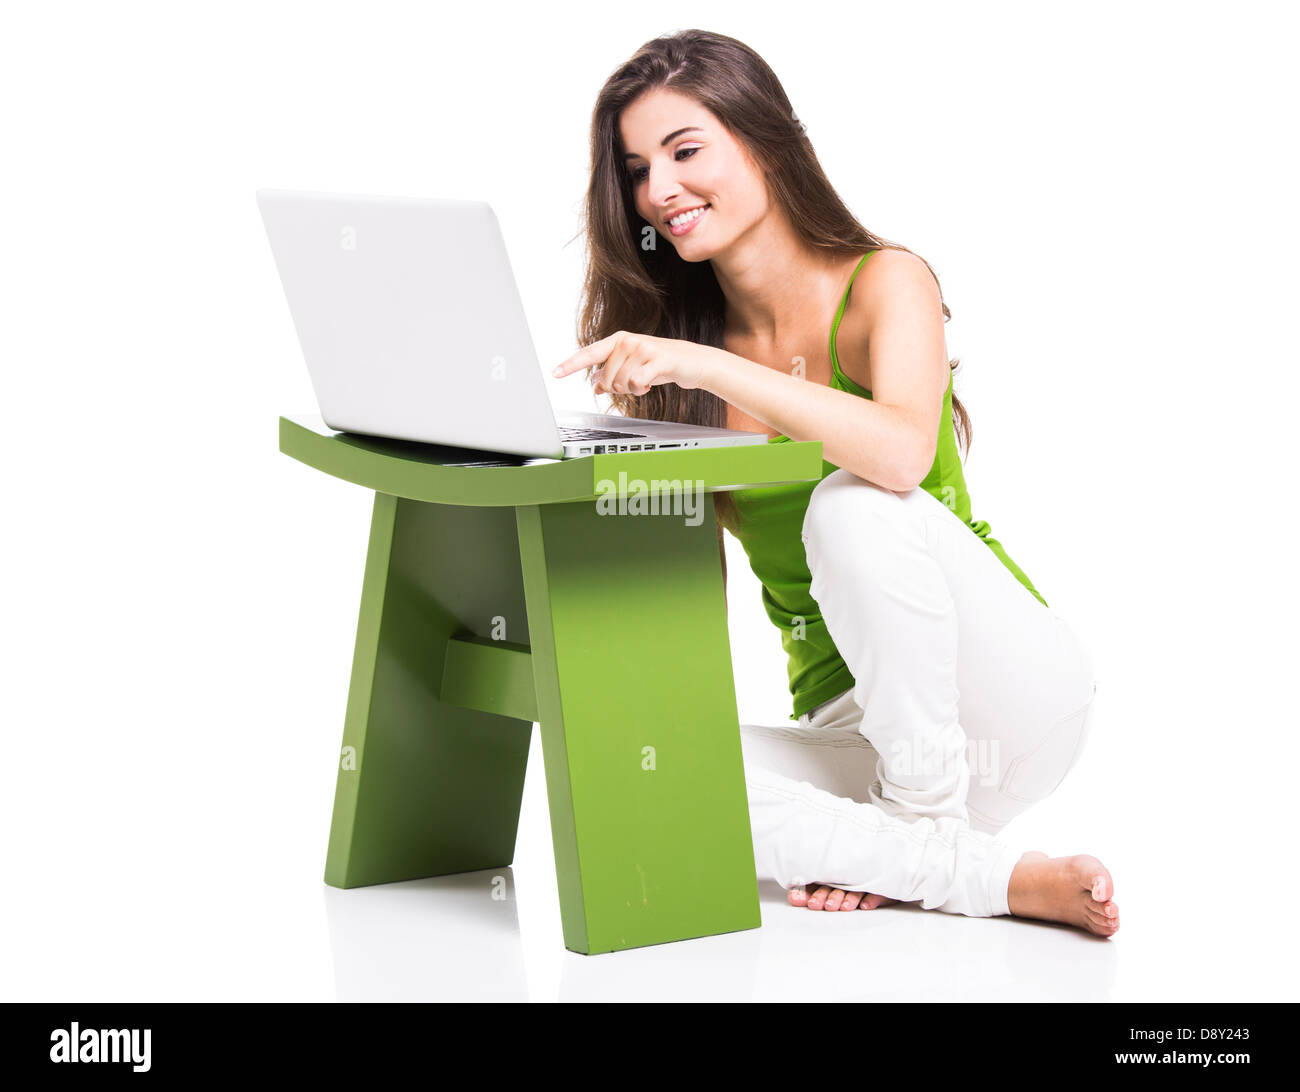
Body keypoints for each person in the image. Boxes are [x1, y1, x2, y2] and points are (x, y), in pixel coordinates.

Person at [552, 29, 1118, 937]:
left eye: (685, 150)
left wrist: (710, 368)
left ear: (766, 138)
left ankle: (920, 829)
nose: (659, 190)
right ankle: (978, 872)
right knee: (632, 771)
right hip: (849, 728)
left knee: (853, 502)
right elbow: (673, 589)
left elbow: (896, 453)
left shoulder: (887, 281)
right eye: (634, 169)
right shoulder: (678, 372)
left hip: (1005, 700)